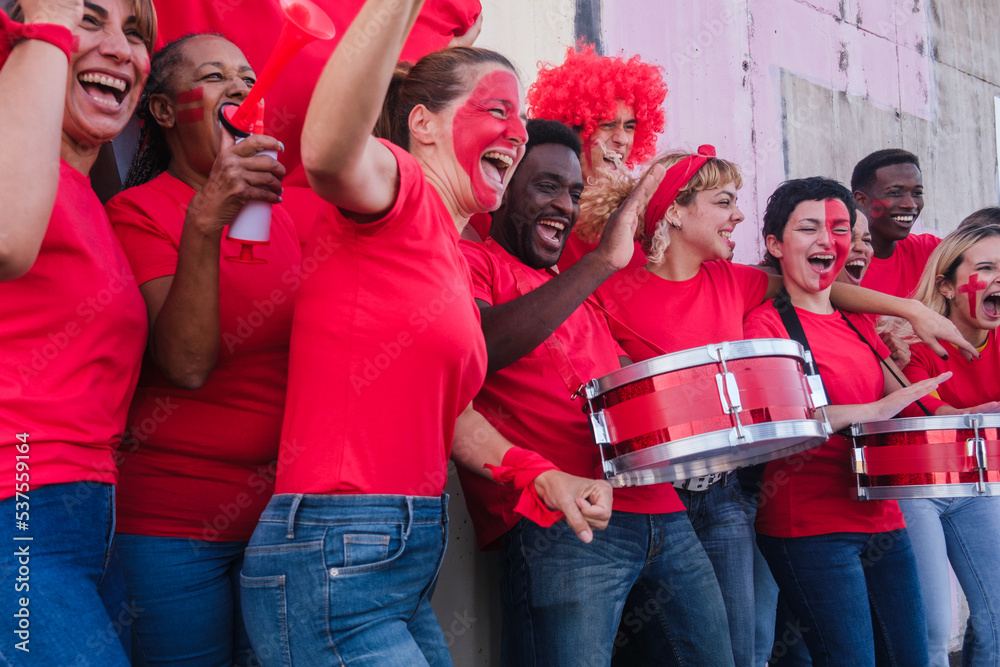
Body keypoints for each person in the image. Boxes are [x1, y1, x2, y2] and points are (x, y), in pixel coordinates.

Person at [238, 2, 613, 664]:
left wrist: (535, 472)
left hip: (399, 558)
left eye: (519, 119)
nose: (518, 133)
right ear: (422, 124)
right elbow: (326, 152)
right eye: (498, 110)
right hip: (336, 551)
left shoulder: (451, 244)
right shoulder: (397, 183)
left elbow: (446, 410)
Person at [594, 148, 968, 667]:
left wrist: (908, 308)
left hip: (724, 494)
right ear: (675, 211)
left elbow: (821, 289)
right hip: (648, 498)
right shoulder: (616, 286)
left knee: (737, 651)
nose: (738, 215)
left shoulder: (735, 282)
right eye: (724, 202)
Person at [458, 118, 734, 666]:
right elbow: (479, 348)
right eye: (546, 187)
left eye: (574, 193)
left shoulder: (578, 292)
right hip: (561, 519)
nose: (565, 205)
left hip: (659, 507)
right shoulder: (473, 261)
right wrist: (602, 261)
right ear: (502, 188)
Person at [105, 33, 299, 665]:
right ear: (163, 112)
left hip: (279, 526)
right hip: (170, 528)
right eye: (215, 77)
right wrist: (206, 219)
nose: (242, 88)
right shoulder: (138, 212)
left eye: (249, 77)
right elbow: (185, 365)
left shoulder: (289, 213)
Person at [0, 0, 155, 663]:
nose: (122, 49)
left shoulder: (85, 196)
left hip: (92, 521)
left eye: (136, 33)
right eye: (88, 18)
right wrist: (45, 25)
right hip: (21, 502)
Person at [744, 176, 950, 666]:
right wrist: (870, 413)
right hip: (809, 526)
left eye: (838, 228)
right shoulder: (765, 323)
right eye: (809, 227)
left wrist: (959, 418)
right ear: (774, 244)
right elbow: (782, 418)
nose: (828, 241)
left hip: (884, 518)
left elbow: (903, 407)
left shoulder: (856, 321)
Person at [896, 220, 1000, 667]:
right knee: (935, 633)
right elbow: (933, 413)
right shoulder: (910, 341)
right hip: (920, 485)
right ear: (948, 286)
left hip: (980, 483)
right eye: (987, 268)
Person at [520, 43, 666, 269]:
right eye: (608, 125)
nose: (622, 139)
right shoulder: (541, 205)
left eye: (629, 127)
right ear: (573, 127)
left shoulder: (644, 212)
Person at [852, 148, 940, 298]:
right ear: (861, 200)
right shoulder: (841, 259)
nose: (911, 204)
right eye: (895, 193)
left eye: (917, 193)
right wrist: (911, 310)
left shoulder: (931, 251)